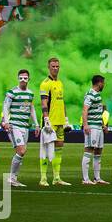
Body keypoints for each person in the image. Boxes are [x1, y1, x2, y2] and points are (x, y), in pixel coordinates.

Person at [37, 57, 71, 186]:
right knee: (45, 150)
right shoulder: (45, 83)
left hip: (60, 121)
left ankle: (56, 178)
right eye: (53, 66)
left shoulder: (60, 83)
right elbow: (44, 103)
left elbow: (62, 103)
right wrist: (46, 119)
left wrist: (66, 119)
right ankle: (43, 178)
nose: (55, 68)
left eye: (57, 66)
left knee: (59, 150)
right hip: (50, 122)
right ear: (49, 67)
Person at [1, 69, 37, 187]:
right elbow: (6, 107)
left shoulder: (30, 93)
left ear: (28, 79)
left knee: (20, 153)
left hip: (25, 126)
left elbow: (31, 109)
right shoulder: (12, 92)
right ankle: (11, 178)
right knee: (22, 150)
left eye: (25, 78)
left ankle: (14, 179)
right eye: (21, 78)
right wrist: (6, 122)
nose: (23, 80)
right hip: (14, 125)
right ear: (18, 78)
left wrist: (36, 124)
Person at [80, 75, 108, 185]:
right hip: (91, 126)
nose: (104, 85)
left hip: (98, 127)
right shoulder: (90, 94)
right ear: (99, 83)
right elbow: (84, 110)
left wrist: (103, 125)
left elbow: (98, 112)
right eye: (103, 83)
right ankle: (86, 179)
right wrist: (85, 125)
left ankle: (97, 178)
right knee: (89, 150)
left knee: (98, 151)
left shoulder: (97, 95)